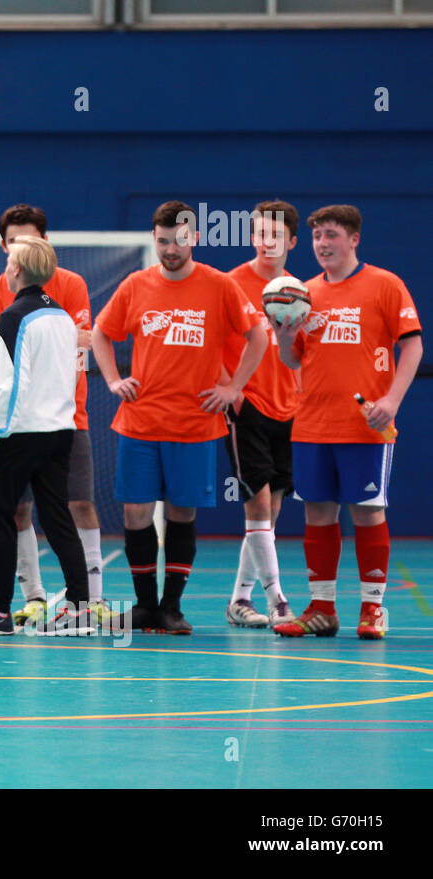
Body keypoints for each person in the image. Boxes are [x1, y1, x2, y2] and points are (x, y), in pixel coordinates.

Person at [90, 201, 266, 634]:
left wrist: (233, 388)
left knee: (182, 515)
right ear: (155, 239)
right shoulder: (135, 285)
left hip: (195, 423)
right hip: (140, 422)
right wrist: (114, 380)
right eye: (164, 240)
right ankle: (145, 606)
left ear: (195, 238)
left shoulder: (219, 286)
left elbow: (258, 335)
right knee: (136, 514)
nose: (171, 248)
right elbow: (100, 332)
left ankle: (172, 607)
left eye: (180, 240)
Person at [270, 204, 421, 640]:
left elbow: (412, 346)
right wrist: (282, 333)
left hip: (365, 426)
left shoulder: (385, 285)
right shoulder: (302, 292)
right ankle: (321, 608)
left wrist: (392, 400)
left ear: (354, 239)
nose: (322, 244)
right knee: (317, 513)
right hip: (313, 423)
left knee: (368, 511)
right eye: (317, 237)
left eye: (331, 235)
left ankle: (372, 609)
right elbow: (291, 357)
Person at [0, 204, 108, 625]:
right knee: (58, 518)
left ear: (17, 271)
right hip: (60, 430)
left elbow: (12, 384)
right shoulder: (63, 318)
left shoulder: (11, 318)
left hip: (20, 433)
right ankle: (81, 606)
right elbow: (67, 378)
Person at [221, 201, 299, 628]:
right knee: (258, 505)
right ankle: (278, 601)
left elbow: (302, 352)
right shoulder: (230, 284)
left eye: (276, 235)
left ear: (291, 241)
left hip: (289, 407)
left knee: (271, 513)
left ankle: (239, 599)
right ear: (252, 237)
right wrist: (229, 388)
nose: (268, 242)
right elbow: (211, 343)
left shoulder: (300, 289)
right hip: (246, 406)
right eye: (261, 234)